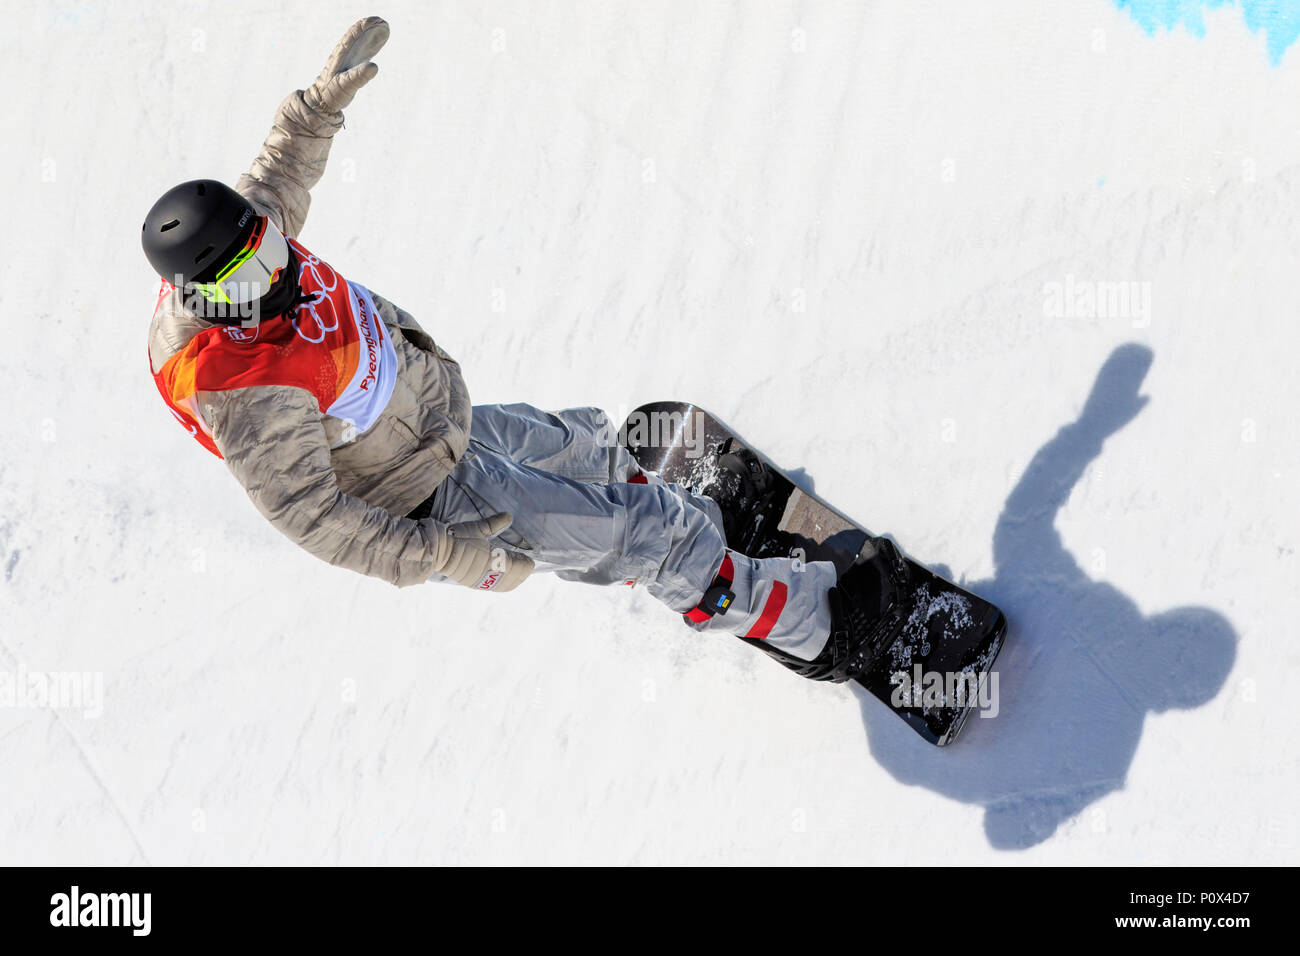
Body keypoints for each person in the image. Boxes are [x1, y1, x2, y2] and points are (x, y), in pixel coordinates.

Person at [143, 17, 902, 683]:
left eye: (271, 242)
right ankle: (821, 629)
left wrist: (314, 110)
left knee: (581, 440)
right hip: (434, 496)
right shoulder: (241, 391)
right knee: (654, 538)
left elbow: (274, 178)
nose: (277, 267)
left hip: (436, 421)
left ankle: (636, 502)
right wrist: (446, 556)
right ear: (207, 297)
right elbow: (318, 520)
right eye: (250, 271)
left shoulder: (241, 244)